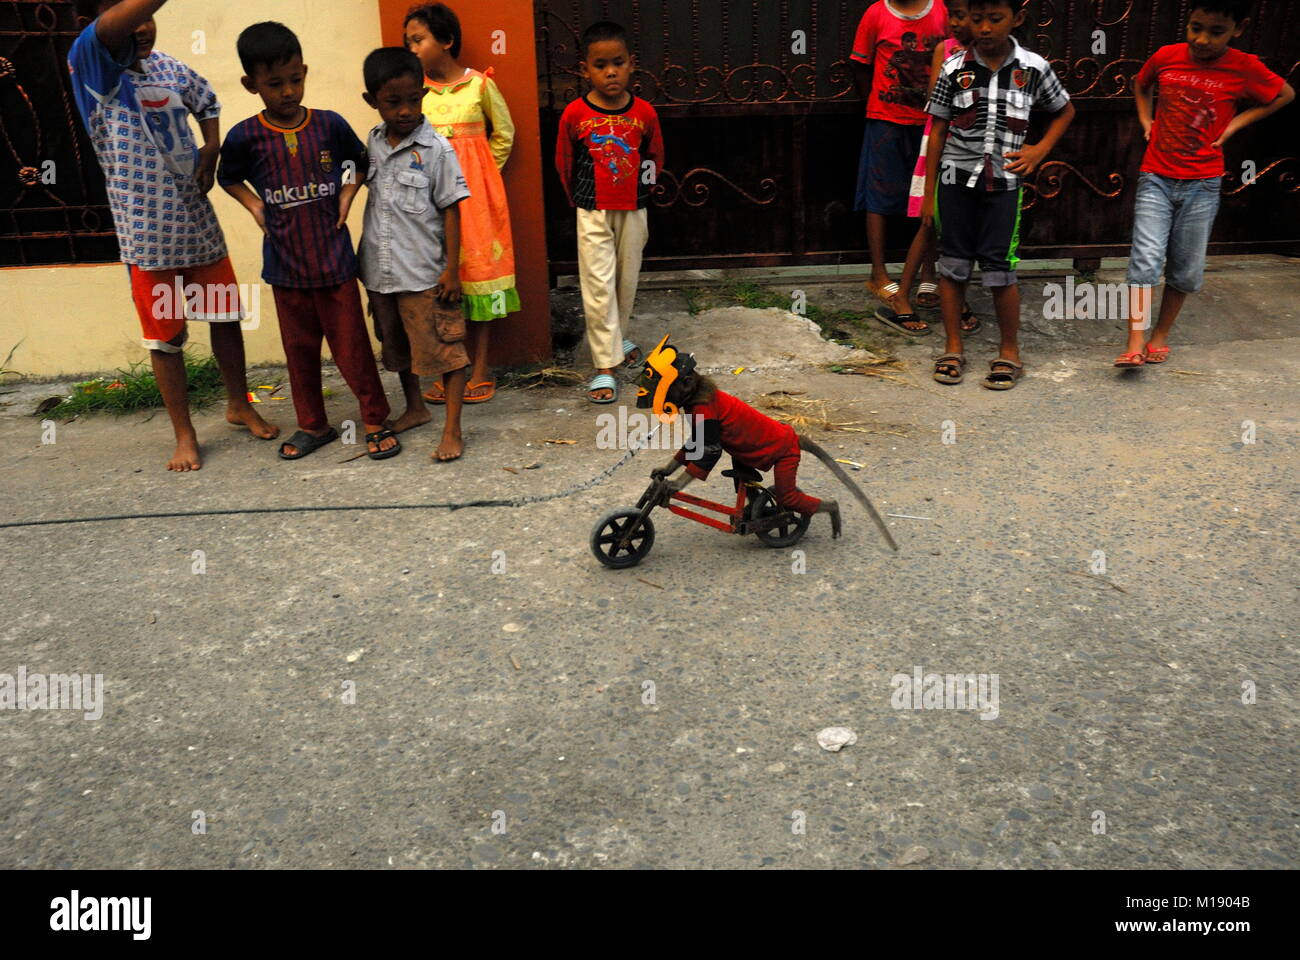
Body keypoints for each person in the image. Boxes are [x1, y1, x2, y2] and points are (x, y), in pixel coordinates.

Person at [67, 0, 277, 471]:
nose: (141, 28)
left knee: (225, 318)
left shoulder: (171, 69)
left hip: (197, 226)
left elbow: (207, 101)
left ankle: (239, 404)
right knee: (167, 339)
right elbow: (113, 29)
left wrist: (211, 147)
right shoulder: (95, 69)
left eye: (147, 18)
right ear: (102, 26)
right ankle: (184, 434)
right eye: (128, 19)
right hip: (147, 238)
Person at [219, 21, 400, 461]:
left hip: (335, 263)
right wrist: (256, 207)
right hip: (285, 268)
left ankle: (375, 418)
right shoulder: (246, 135)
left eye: (295, 79)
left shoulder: (329, 126)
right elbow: (226, 177)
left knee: (353, 346)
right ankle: (313, 425)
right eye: (274, 84)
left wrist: (347, 193)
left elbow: (361, 162)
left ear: (305, 71)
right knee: (299, 353)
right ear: (251, 84)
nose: (287, 92)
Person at [1113, 0, 1293, 368]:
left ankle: (1160, 335)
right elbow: (1141, 83)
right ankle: (1134, 341)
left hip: (1203, 183)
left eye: (1215, 32)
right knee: (1145, 259)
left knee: (1186, 267)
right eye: (1195, 27)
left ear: (1237, 30)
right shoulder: (1167, 56)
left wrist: (1234, 125)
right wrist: (1146, 121)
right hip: (1156, 177)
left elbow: (1284, 95)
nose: (1202, 39)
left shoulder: (1244, 67)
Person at [923, 0, 1076, 389]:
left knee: (1000, 268)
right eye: (977, 20)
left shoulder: (1034, 68)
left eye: (995, 19)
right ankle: (953, 345)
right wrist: (928, 195)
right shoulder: (954, 68)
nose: (986, 28)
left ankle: (1010, 351)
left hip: (1004, 185)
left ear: (1016, 19)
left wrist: (1039, 151)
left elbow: (1065, 111)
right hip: (955, 181)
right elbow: (938, 128)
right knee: (952, 265)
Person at [358, 47, 472, 461]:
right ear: (371, 101)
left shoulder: (437, 150)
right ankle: (415, 408)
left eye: (413, 99)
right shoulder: (371, 142)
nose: (405, 111)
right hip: (380, 274)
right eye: (393, 102)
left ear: (423, 94)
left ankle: (454, 428)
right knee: (396, 347)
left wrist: (452, 271)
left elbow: (453, 208)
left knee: (447, 351)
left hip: (424, 275)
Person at [404, 3, 519, 406]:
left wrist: (483, 174)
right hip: (430, 204)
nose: (412, 48)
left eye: (419, 39)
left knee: (479, 280)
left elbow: (504, 133)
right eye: (408, 42)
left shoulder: (480, 86)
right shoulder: (416, 94)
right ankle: (449, 367)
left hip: (476, 203)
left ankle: (482, 368)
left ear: (447, 41)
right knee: (443, 285)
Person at [554, 21, 663, 404]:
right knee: (598, 285)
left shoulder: (645, 113)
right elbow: (564, 163)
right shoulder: (574, 115)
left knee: (625, 280)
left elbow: (654, 158)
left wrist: (643, 194)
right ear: (585, 70)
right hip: (593, 210)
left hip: (634, 209)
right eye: (601, 65)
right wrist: (579, 200)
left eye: (618, 63)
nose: (611, 72)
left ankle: (616, 336)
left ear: (631, 64)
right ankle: (605, 367)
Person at [849, 0, 950, 334]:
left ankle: (928, 272)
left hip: (931, 123)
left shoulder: (942, 11)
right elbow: (860, 65)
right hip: (885, 119)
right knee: (878, 192)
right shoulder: (877, 13)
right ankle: (878, 272)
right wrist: (873, 103)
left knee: (929, 196)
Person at [890, 0, 979, 335]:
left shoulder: (1000, 55)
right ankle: (901, 296)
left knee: (963, 225)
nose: (955, 23)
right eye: (952, 16)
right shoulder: (947, 49)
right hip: (943, 142)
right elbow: (936, 101)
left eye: (962, 16)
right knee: (929, 222)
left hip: (975, 149)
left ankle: (956, 296)